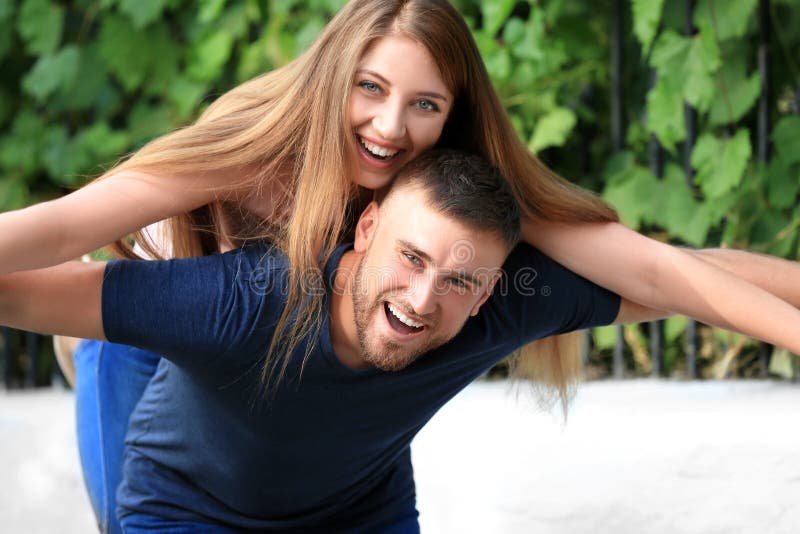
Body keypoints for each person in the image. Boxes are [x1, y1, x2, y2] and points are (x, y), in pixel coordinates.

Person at [2, 0, 800, 530]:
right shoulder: (260, 158)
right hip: (158, 329)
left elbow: (664, 272)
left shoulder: (453, 197)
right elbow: (65, 221)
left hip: (306, 407)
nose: (389, 127)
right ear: (334, 79)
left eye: (425, 105)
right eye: (370, 89)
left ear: (454, 117)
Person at [0, 150, 638, 532]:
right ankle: (99, 347)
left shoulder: (489, 299)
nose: (424, 299)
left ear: (485, 288)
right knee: (129, 342)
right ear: (368, 227)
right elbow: (21, 288)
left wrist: (541, 224)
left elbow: (663, 281)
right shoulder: (247, 292)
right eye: (412, 258)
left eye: (458, 279)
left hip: (351, 505)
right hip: (190, 484)